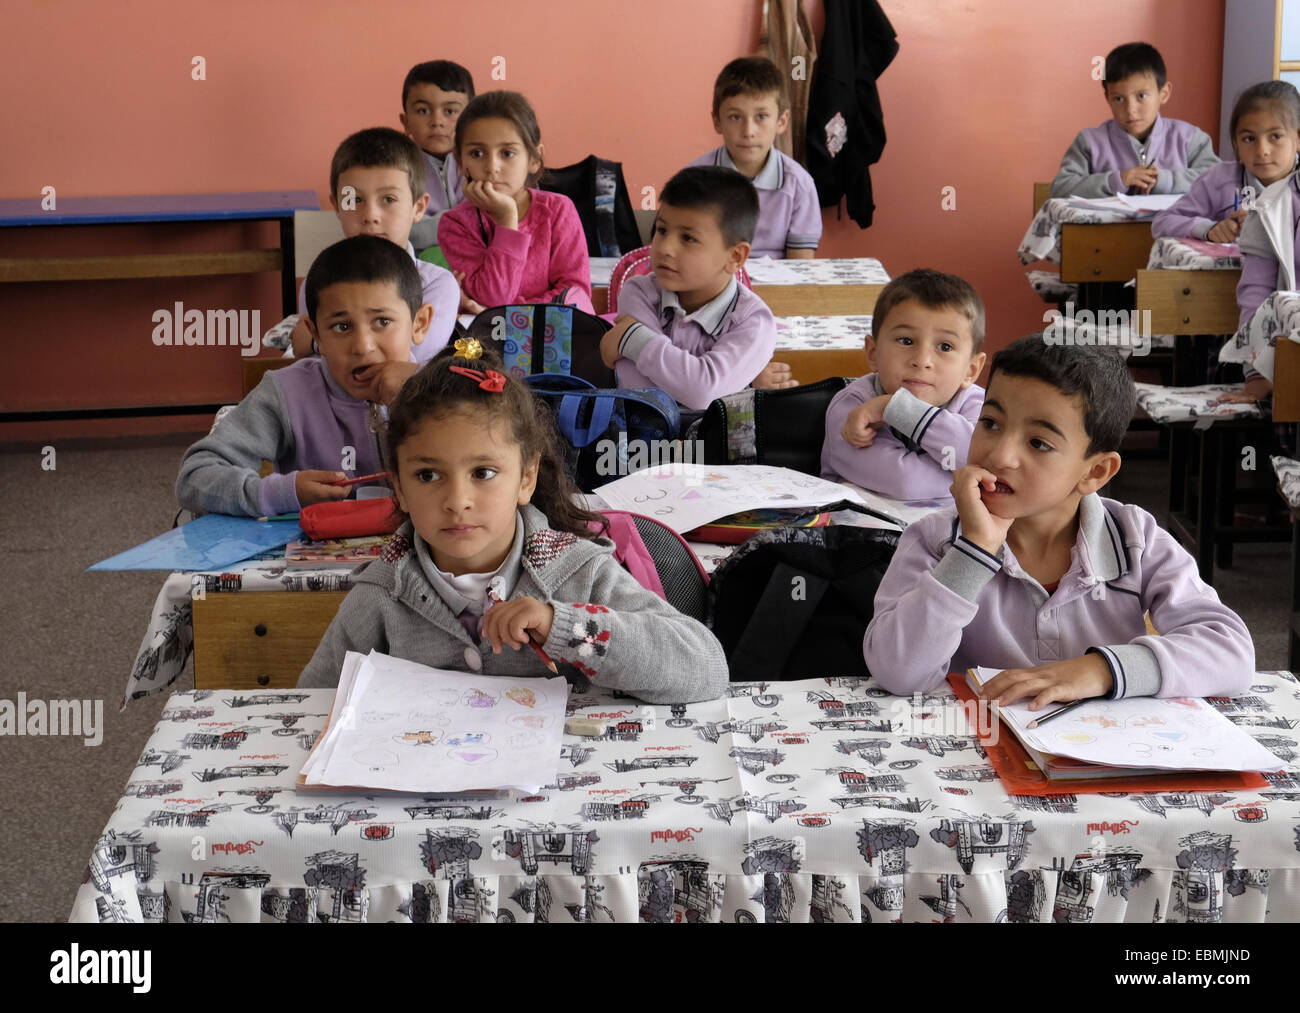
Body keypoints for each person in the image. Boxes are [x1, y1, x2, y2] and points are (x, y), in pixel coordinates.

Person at [298, 340, 728, 703]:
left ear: (526, 478)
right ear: (400, 488)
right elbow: (313, 704)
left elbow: (705, 668)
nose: (457, 501)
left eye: (483, 473)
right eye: (427, 475)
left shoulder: (579, 572)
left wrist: (564, 627)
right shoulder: (383, 591)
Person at [863, 335, 1254, 708]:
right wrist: (973, 552)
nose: (1000, 456)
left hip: (1098, 759)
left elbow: (1230, 651)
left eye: (1038, 443)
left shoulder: (1135, 539)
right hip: (975, 755)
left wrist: (1101, 670)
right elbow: (898, 673)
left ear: (1096, 472)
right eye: (991, 424)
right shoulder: (936, 539)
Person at [177, 236, 430, 518]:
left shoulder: (445, 386)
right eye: (342, 326)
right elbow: (195, 478)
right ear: (316, 334)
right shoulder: (287, 393)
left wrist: (425, 389)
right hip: (317, 556)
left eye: (382, 322)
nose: (363, 346)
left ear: (419, 323)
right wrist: (284, 492)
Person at [599, 166, 777, 410]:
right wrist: (701, 380)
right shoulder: (639, 292)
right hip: (642, 445)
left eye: (688, 238)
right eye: (662, 230)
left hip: (716, 447)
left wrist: (634, 339)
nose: (665, 248)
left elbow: (704, 392)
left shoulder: (753, 321)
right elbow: (641, 394)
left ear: (735, 256)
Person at [288, 128, 462, 358]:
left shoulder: (437, 285)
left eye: (389, 199)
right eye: (355, 200)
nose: (370, 215)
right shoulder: (318, 280)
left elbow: (410, 363)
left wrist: (314, 344)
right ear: (338, 206)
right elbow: (318, 366)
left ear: (418, 207)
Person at [821, 269, 986, 499]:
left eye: (945, 347)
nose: (922, 360)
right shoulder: (852, 406)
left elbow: (982, 455)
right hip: (859, 532)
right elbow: (906, 482)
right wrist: (972, 479)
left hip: (951, 535)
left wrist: (892, 407)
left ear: (971, 369)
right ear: (873, 352)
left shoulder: (979, 405)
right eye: (906, 341)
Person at [438, 91, 593, 312]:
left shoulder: (558, 210)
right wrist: (506, 222)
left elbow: (575, 297)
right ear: (460, 162)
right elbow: (493, 297)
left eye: (507, 153)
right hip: (488, 343)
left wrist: (509, 316)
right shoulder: (455, 224)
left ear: (534, 159)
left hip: (556, 340)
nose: (492, 166)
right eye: (477, 153)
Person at [688, 56, 821, 259]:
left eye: (761, 116)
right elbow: (687, 254)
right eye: (735, 117)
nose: (748, 131)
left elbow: (800, 270)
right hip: (710, 287)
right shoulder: (694, 180)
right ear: (717, 121)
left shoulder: (799, 185)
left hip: (776, 289)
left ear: (781, 121)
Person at [1050, 41, 1218, 198]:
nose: (1130, 109)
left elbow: (1218, 181)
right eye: (1119, 99)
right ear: (1107, 98)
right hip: (1108, 231)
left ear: (1164, 93)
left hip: (1175, 230)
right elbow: (1060, 188)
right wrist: (1116, 181)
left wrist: (1164, 180)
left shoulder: (1190, 138)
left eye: (1142, 96)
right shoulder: (1089, 142)